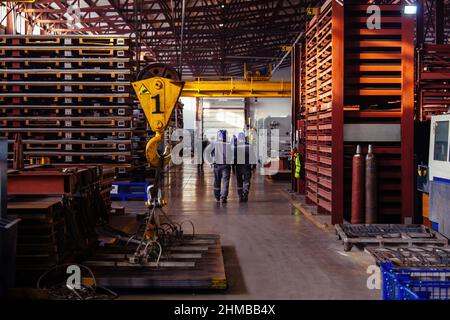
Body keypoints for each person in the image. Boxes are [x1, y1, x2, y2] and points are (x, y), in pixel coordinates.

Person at [235, 132, 256, 202]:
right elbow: (253, 157)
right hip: (247, 167)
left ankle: (240, 196)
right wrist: (254, 166)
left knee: (239, 182)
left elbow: (234, 158)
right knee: (247, 181)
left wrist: (233, 167)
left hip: (238, 167)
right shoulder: (249, 146)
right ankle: (245, 192)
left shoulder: (236, 146)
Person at [212, 130, 232, 204]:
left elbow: (211, 153)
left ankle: (217, 196)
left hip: (217, 165)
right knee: (225, 182)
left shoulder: (214, 144)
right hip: (226, 165)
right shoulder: (228, 144)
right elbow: (231, 155)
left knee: (217, 181)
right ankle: (223, 197)